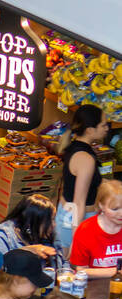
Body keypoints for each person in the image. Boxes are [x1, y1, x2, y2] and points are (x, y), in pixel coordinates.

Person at [57, 103, 107, 252]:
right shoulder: (85, 158)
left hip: (66, 213)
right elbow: (79, 202)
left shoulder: (74, 146)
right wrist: (76, 240)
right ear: (90, 130)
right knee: (71, 268)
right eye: (103, 125)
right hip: (77, 220)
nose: (107, 128)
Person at [0, 193, 57, 285]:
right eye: (51, 220)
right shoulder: (2, 235)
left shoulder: (45, 233)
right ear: (33, 222)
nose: (54, 225)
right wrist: (27, 251)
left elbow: (61, 263)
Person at [68, 177, 122, 299]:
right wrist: (114, 271)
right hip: (96, 287)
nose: (121, 214)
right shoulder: (86, 230)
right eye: (115, 209)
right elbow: (80, 271)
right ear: (101, 206)